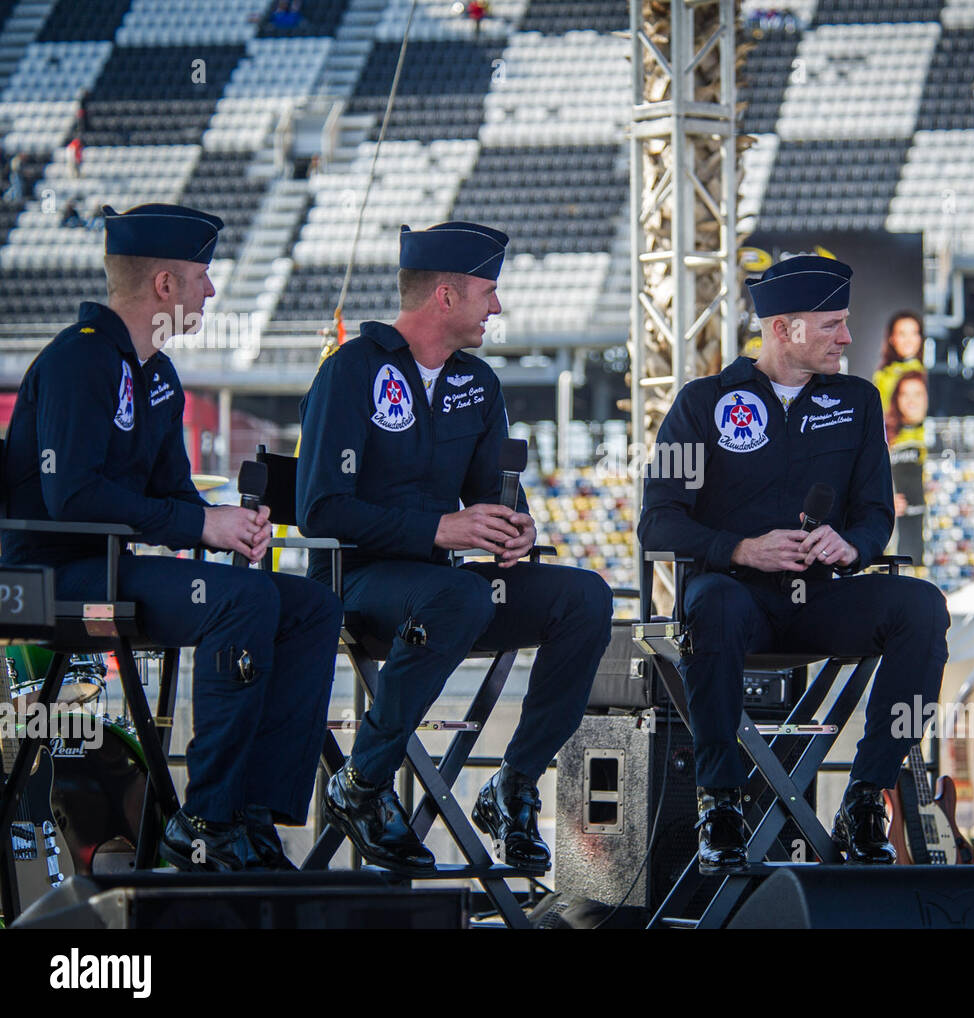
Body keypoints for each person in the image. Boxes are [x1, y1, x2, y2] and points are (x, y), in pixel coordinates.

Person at [0, 203, 343, 872]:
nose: (211, 291)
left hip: (110, 565)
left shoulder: (157, 374)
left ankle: (251, 813)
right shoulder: (80, 360)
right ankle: (206, 821)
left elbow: (170, 494)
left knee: (311, 606)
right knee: (243, 603)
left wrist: (228, 529)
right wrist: (197, 524)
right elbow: (72, 496)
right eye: (202, 276)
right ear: (165, 286)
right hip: (51, 576)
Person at [297, 221, 613, 877]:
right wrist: (442, 529)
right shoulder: (350, 371)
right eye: (487, 292)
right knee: (458, 594)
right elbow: (319, 509)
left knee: (584, 596)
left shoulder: (477, 382)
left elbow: (490, 495)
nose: (496, 307)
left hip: (445, 592)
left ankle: (515, 785)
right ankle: (360, 785)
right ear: (446, 295)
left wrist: (515, 527)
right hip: (356, 582)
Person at [638, 255, 951, 872]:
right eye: (832, 324)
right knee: (713, 604)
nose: (848, 337)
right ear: (783, 328)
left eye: (846, 322)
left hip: (822, 599)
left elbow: (875, 515)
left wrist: (852, 545)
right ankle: (719, 801)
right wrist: (740, 548)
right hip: (734, 601)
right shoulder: (703, 403)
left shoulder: (859, 402)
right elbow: (658, 521)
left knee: (922, 607)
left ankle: (867, 796)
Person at [873, 311, 928, 561]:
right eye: (902, 333)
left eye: (914, 333)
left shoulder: (925, 371)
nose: (909, 340)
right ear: (892, 339)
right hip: (896, 456)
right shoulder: (883, 377)